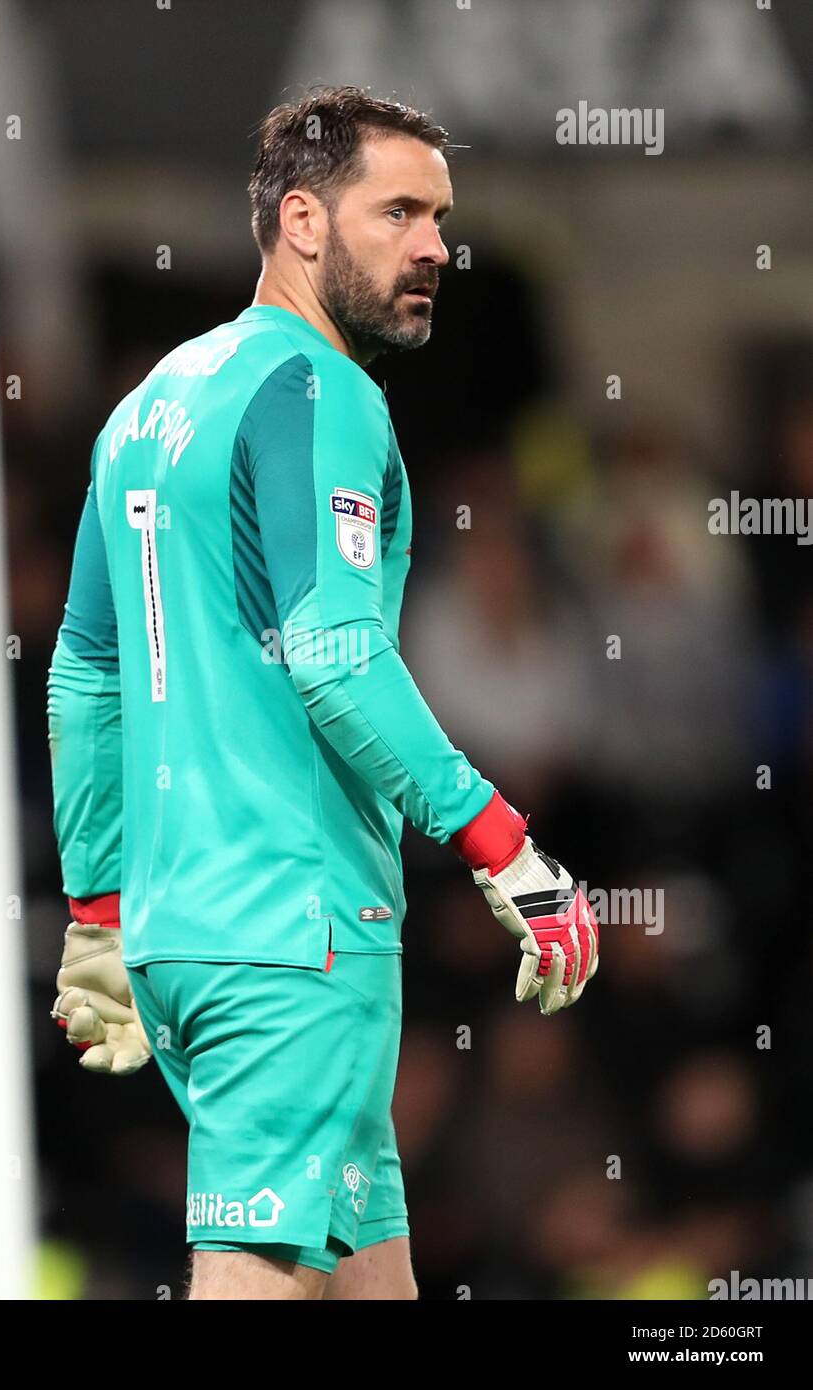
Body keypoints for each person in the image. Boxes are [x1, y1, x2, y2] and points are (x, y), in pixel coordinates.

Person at [46, 85, 599, 1301]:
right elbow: (336, 651)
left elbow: (86, 679)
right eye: (397, 211)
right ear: (301, 220)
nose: (434, 247)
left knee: (368, 1280)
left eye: (441, 218)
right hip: (292, 937)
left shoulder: (146, 406)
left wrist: (98, 911)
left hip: (190, 934)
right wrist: (504, 845)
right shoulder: (320, 393)